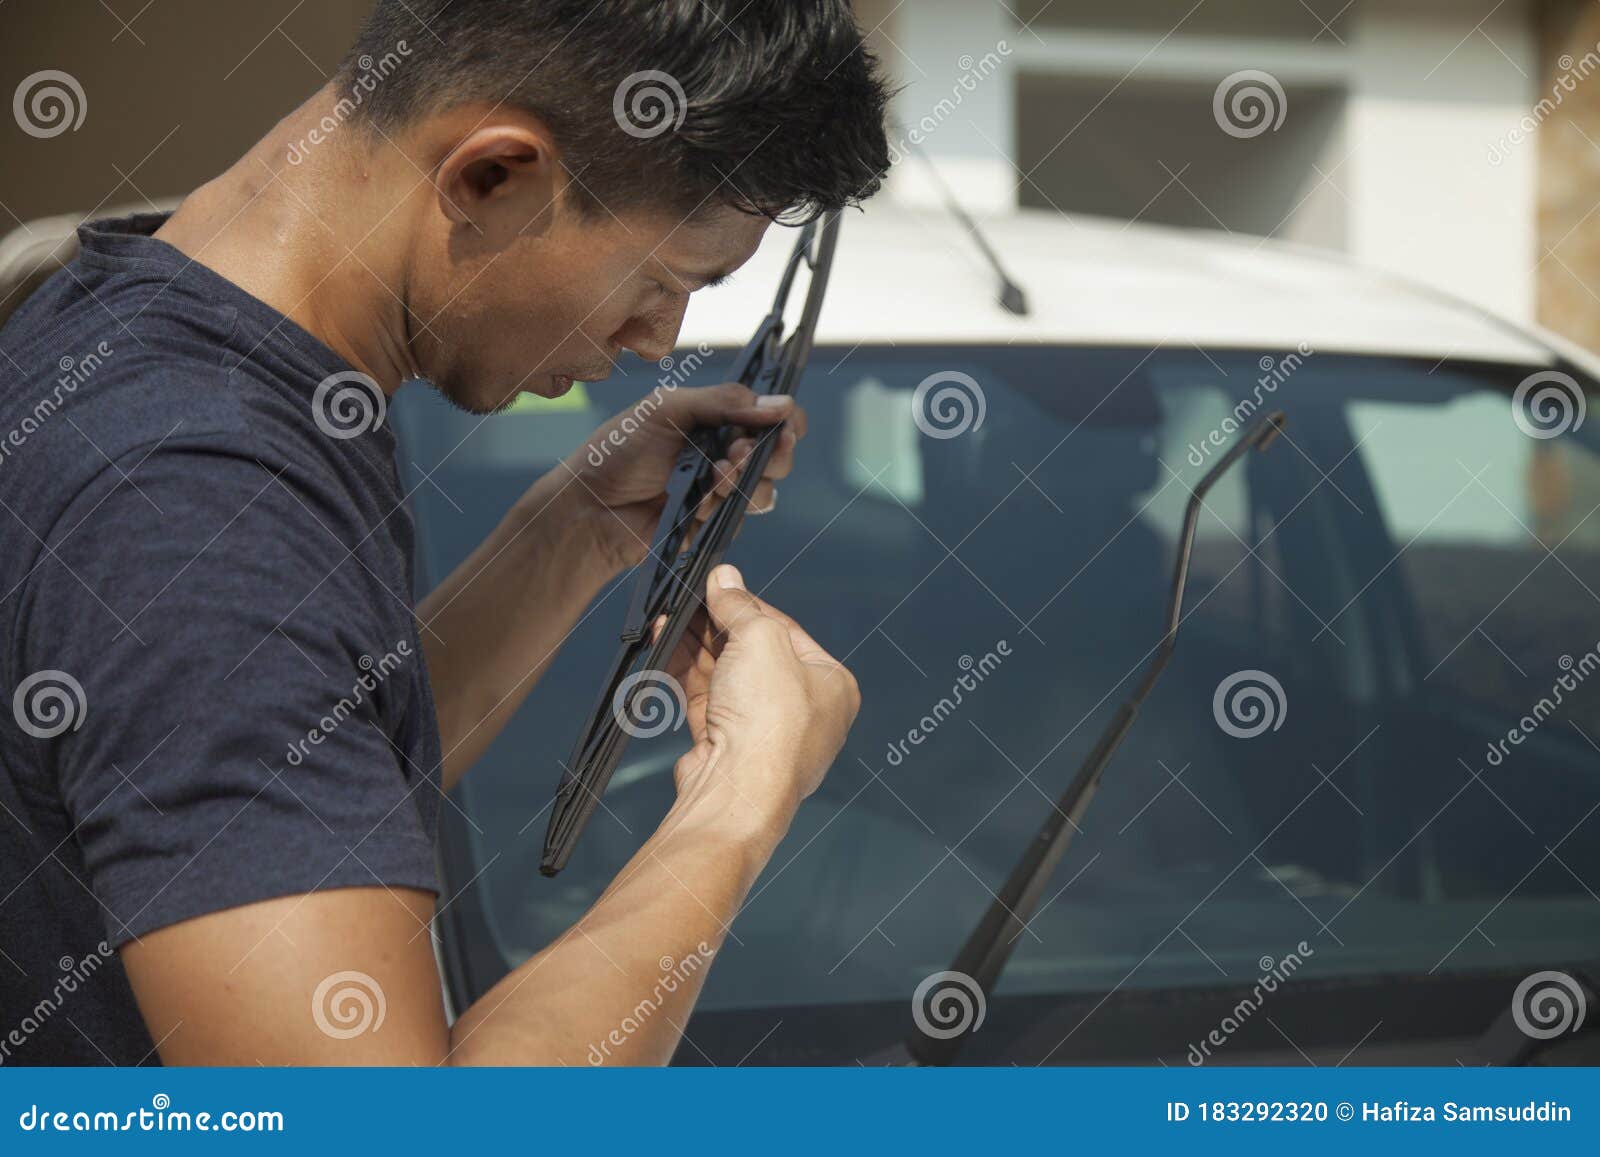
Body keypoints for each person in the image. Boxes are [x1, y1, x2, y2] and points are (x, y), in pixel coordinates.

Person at [0, 0, 889, 1065]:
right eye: (663, 283)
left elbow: (297, 756)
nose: (658, 344)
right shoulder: (195, 498)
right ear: (490, 176)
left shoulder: (141, 325)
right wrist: (742, 795)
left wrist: (574, 531)